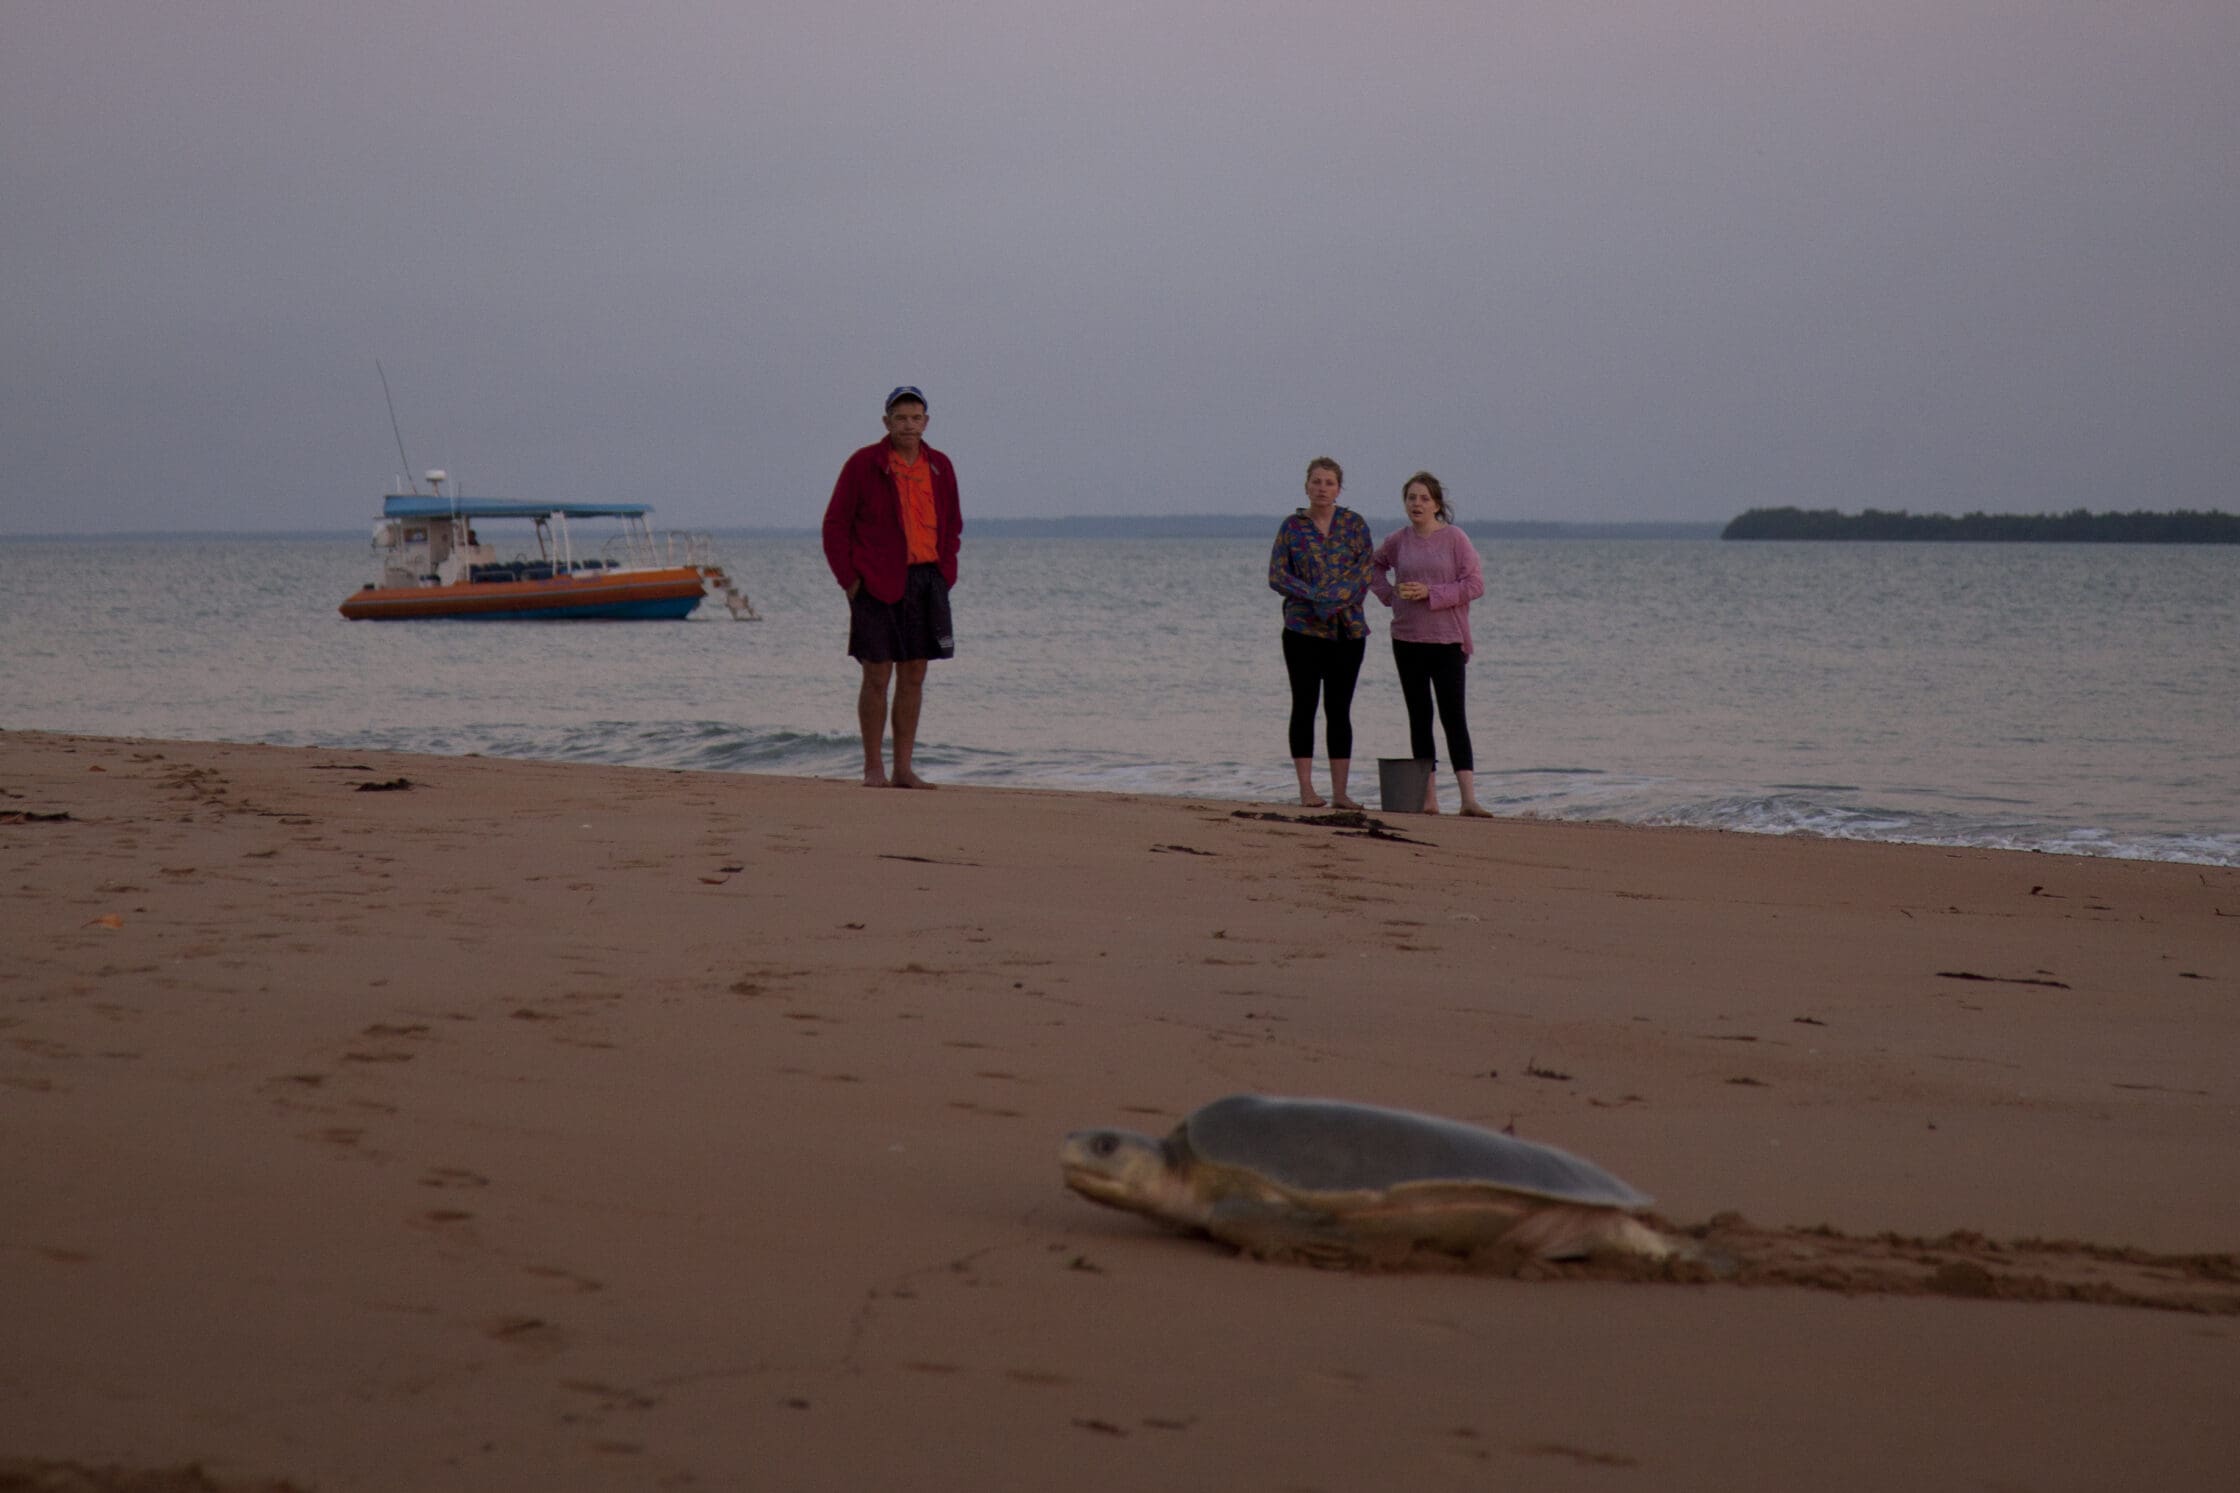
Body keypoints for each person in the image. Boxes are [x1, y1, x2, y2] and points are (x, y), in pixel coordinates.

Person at [821, 386, 962, 789]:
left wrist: (945, 573)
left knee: (914, 674)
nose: (908, 425)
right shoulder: (864, 464)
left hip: (926, 580)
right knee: (877, 674)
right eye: (900, 418)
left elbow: (953, 525)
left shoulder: (940, 466)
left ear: (926, 422)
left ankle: (903, 768)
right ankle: (873, 768)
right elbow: (835, 525)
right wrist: (849, 580)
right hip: (876, 582)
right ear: (887, 422)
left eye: (916, 418)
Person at [1367, 470, 1489, 816]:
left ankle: (1468, 799)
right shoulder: (1398, 540)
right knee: (1419, 716)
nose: (1416, 504)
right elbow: (1372, 567)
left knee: (1453, 717)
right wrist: (1389, 594)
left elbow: (1475, 585)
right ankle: (1429, 799)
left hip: (1448, 639)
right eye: (1411, 498)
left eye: (1424, 498)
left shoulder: (1455, 539)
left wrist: (1431, 593)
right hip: (1406, 638)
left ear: (1436, 504)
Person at [1267, 456, 1374, 809]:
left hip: (1348, 630)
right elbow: (1277, 576)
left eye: (1329, 482)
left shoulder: (1354, 525)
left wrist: (1335, 599)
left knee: (1339, 710)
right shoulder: (1292, 527)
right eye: (1316, 481)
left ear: (1339, 488)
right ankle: (1307, 790)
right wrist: (1315, 596)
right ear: (1306, 486)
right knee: (1304, 706)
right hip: (1302, 631)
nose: (1322, 488)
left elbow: (1364, 573)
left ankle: (1341, 793)